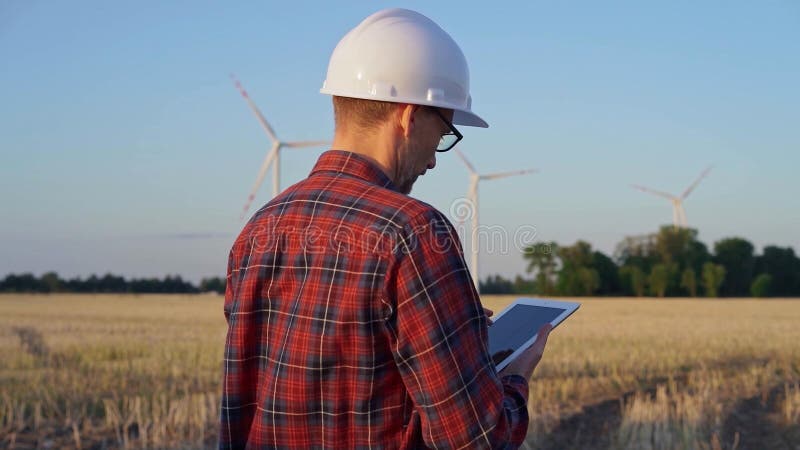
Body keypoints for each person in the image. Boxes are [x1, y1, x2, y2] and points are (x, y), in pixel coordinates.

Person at [220, 8, 552, 449]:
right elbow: (475, 439)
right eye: (445, 132)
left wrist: (452, 332)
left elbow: (240, 411)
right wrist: (512, 381)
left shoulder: (258, 230)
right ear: (409, 117)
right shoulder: (414, 233)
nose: (435, 158)